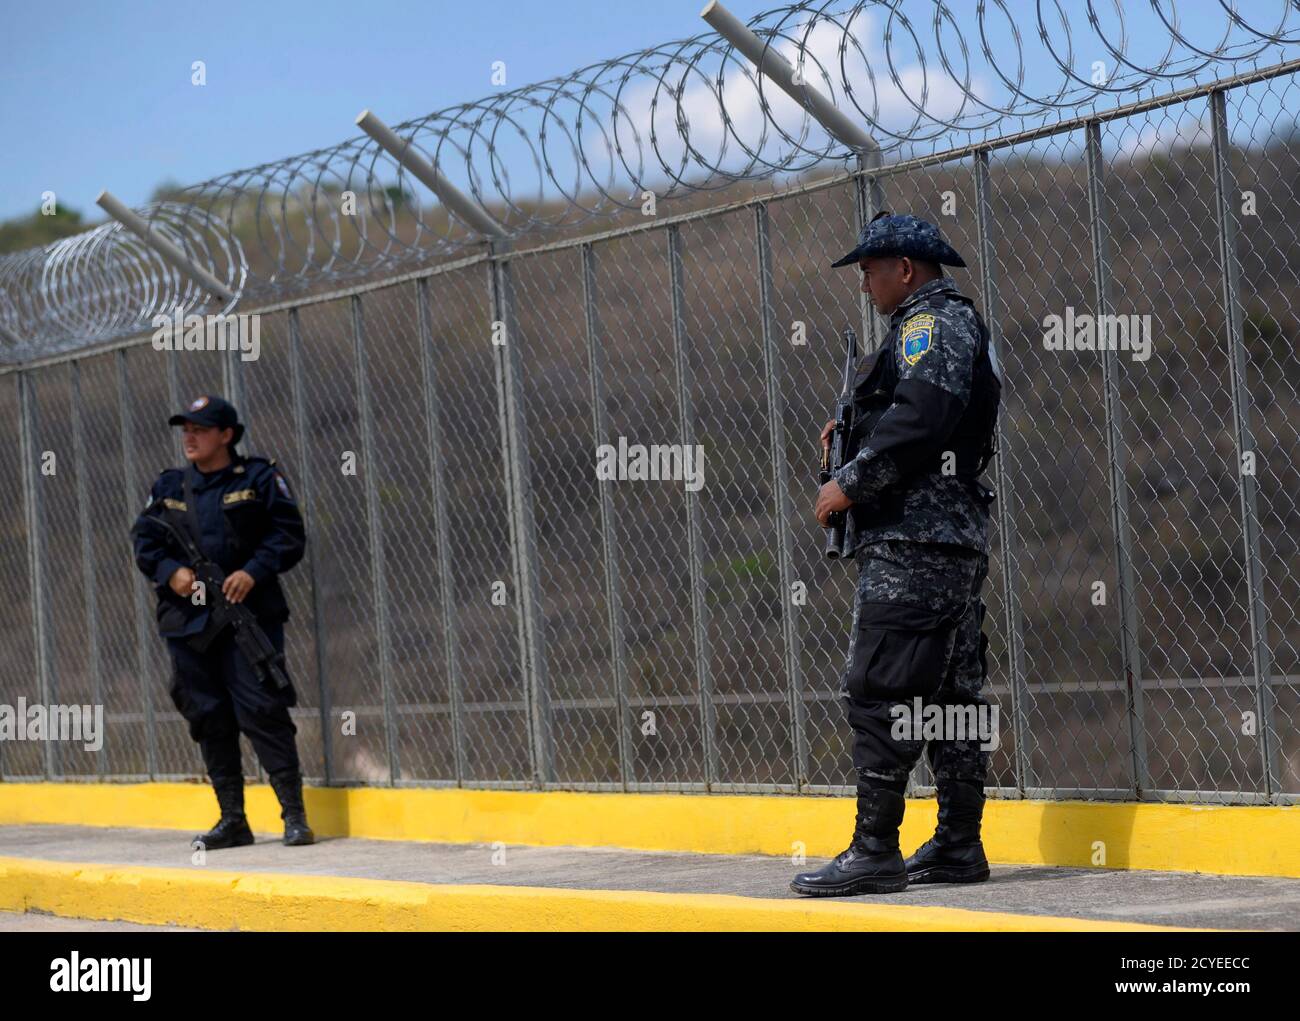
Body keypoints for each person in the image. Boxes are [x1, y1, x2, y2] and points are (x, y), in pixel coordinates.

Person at [791, 213, 1001, 896]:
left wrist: (845, 485)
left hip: (918, 537)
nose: (863, 279)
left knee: (879, 683)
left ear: (904, 269)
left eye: (870, 267)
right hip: (950, 536)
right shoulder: (941, 325)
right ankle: (957, 845)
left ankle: (876, 846)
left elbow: (924, 418)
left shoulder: (928, 322)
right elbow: (917, 410)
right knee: (948, 691)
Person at [131, 394, 314, 848]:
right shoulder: (171, 486)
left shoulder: (257, 478)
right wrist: (169, 572)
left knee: (261, 708)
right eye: (185, 430)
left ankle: (293, 815)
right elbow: (145, 540)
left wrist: (252, 572)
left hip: (246, 617)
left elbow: (288, 535)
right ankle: (233, 819)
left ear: (226, 435)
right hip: (189, 622)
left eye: (199, 429)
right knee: (208, 714)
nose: (189, 438)